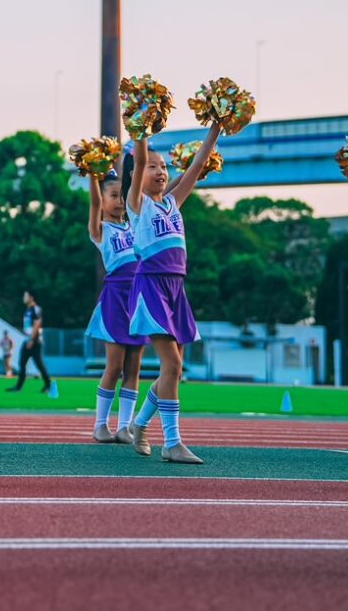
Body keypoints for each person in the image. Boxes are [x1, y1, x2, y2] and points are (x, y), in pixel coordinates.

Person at [125, 122, 221, 465]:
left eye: (164, 167)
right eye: (154, 166)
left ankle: (138, 425)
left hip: (176, 288)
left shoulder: (172, 204)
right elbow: (136, 162)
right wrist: (141, 125)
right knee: (173, 364)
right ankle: (173, 442)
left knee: (173, 370)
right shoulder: (138, 205)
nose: (161, 172)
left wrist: (216, 127)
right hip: (151, 284)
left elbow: (195, 167)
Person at [86, 169, 147, 444]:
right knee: (114, 365)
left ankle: (124, 426)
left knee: (134, 367)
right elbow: (94, 203)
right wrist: (91, 174)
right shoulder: (100, 229)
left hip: (138, 298)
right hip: (115, 298)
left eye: (122, 195)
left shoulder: (135, 226)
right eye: (113, 195)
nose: (120, 201)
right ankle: (100, 425)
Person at [7, 290, 50, 394]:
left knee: (39, 364)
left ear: (31, 297)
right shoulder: (28, 310)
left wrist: (31, 339)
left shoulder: (36, 309)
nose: (24, 297)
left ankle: (48, 385)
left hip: (34, 341)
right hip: (28, 340)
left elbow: (37, 324)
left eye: (25, 296)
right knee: (22, 363)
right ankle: (18, 387)